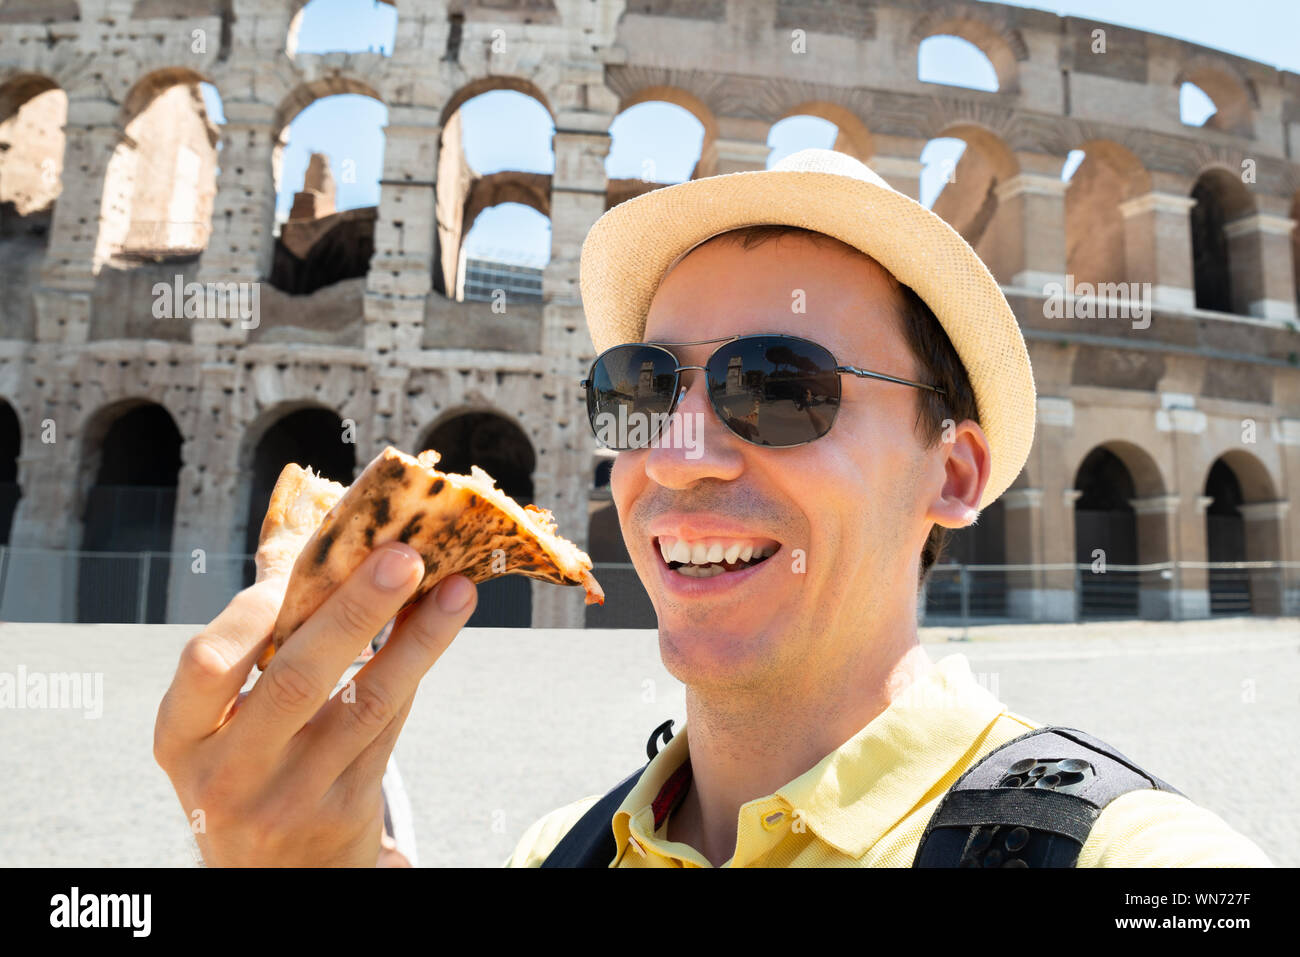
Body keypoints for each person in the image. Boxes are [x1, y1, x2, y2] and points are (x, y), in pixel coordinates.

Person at [154, 149, 1271, 868]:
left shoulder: (1132, 858)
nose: (675, 457)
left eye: (777, 387)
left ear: (955, 474)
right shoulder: (560, 851)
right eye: (639, 390)